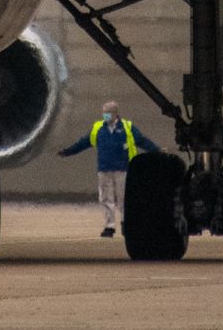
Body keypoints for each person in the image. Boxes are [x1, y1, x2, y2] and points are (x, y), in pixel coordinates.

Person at [55, 102, 157, 238]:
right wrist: (68, 152)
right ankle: (109, 226)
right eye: (104, 112)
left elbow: (142, 141)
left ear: (115, 114)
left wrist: (157, 151)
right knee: (105, 198)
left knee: (124, 198)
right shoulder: (98, 128)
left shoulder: (127, 127)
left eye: (108, 112)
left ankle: (126, 223)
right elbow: (84, 142)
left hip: (123, 168)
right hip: (104, 168)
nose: (105, 115)